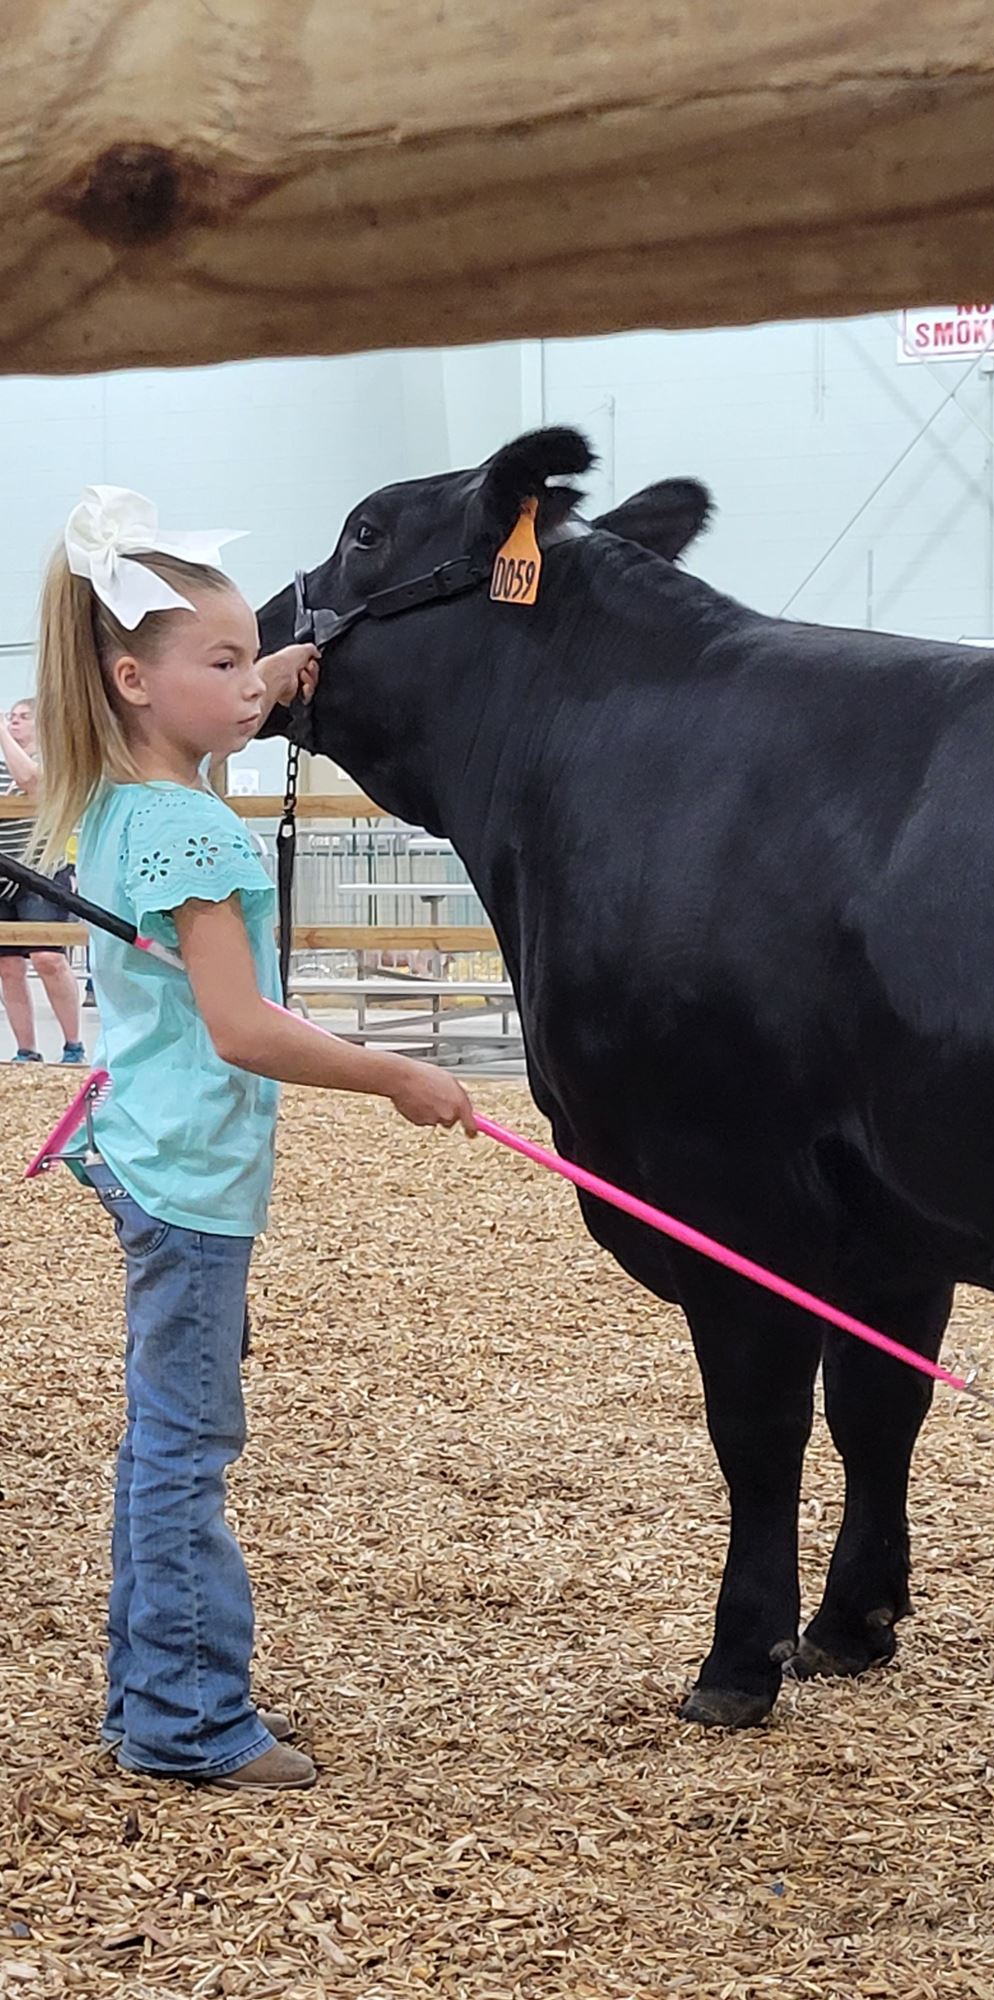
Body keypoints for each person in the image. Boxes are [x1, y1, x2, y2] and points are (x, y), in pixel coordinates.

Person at [34, 486, 478, 1794]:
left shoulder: (126, 803)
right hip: (188, 1172)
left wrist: (259, 674)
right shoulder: (190, 829)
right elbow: (242, 1027)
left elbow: (208, 729)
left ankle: (145, 1699)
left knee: (165, 1435)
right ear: (132, 679)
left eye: (253, 667)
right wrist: (395, 1072)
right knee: (183, 1446)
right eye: (220, 665)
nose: (251, 689)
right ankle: (185, 1721)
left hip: (144, 1148)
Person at [0, 696, 85, 1063]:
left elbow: (31, 782)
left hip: (42, 871)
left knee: (48, 957)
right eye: (11, 716)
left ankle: (73, 1044)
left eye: (22, 717)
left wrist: (2, 734)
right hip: (3, 874)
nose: (14, 721)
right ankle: (26, 1049)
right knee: (8, 965)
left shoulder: (51, 761)